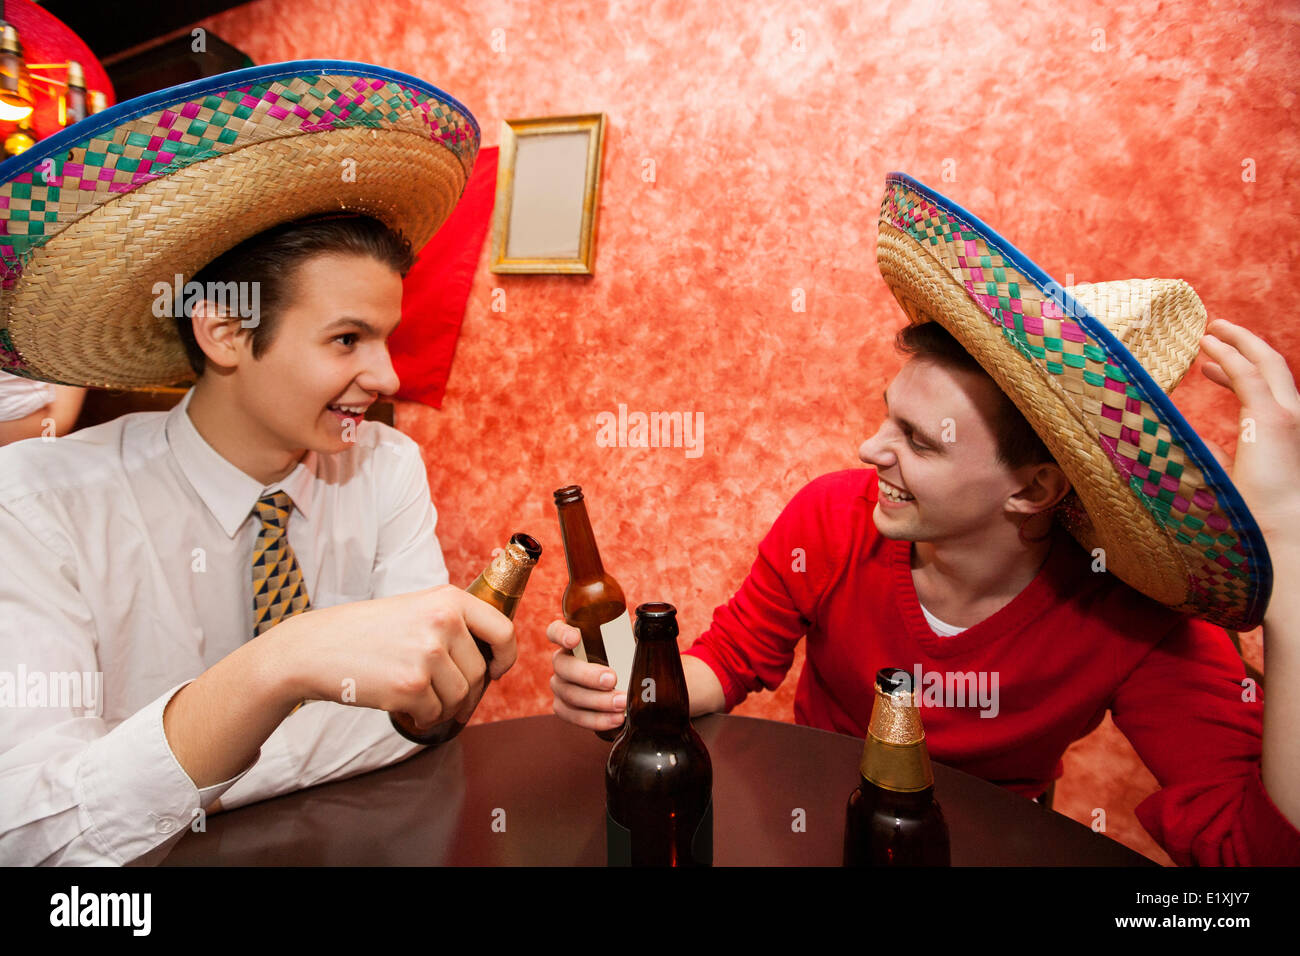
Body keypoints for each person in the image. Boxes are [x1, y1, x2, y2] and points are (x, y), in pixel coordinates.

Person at [548, 174, 1300, 865]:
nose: (868, 450)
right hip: (813, 836)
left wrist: (1291, 563)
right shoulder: (831, 518)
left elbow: (1254, 853)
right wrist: (631, 687)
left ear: (1034, 489)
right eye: (888, 418)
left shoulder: (1133, 612)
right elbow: (731, 659)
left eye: (916, 440)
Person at [0, 62, 507, 865]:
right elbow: (33, 834)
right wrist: (280, 666)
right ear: (227, 334)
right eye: (348, 339)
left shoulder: (384, 468)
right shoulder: (37, 503)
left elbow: (422, 717)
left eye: (386, 337)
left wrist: (187, 757)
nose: (388, 378)